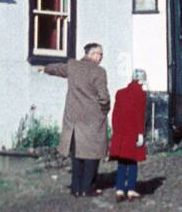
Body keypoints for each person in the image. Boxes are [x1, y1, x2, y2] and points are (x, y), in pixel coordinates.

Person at [40, 42, 110, 197]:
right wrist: (104, 110)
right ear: (91, 54)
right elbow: (104, 97)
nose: (101, 57)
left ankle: (76, 188)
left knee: (77, 154)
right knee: (92, 154)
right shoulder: (99, 72)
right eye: (100, 54)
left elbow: (57, 69)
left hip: (74, 119)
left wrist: (45, 69)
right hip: (92, 120)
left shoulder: (72, 66)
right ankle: (87, 188)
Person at [109, 68, 148, 201]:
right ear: (142, 80)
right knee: (132, 161)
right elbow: (140, 116)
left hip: (121, 133)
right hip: (133, 132)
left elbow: (115, 114)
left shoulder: (120, 93)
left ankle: (120, 189)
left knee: (121, 162)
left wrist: (116, 131)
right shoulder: (141, 94)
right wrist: (141, 133)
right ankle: (131, 189)